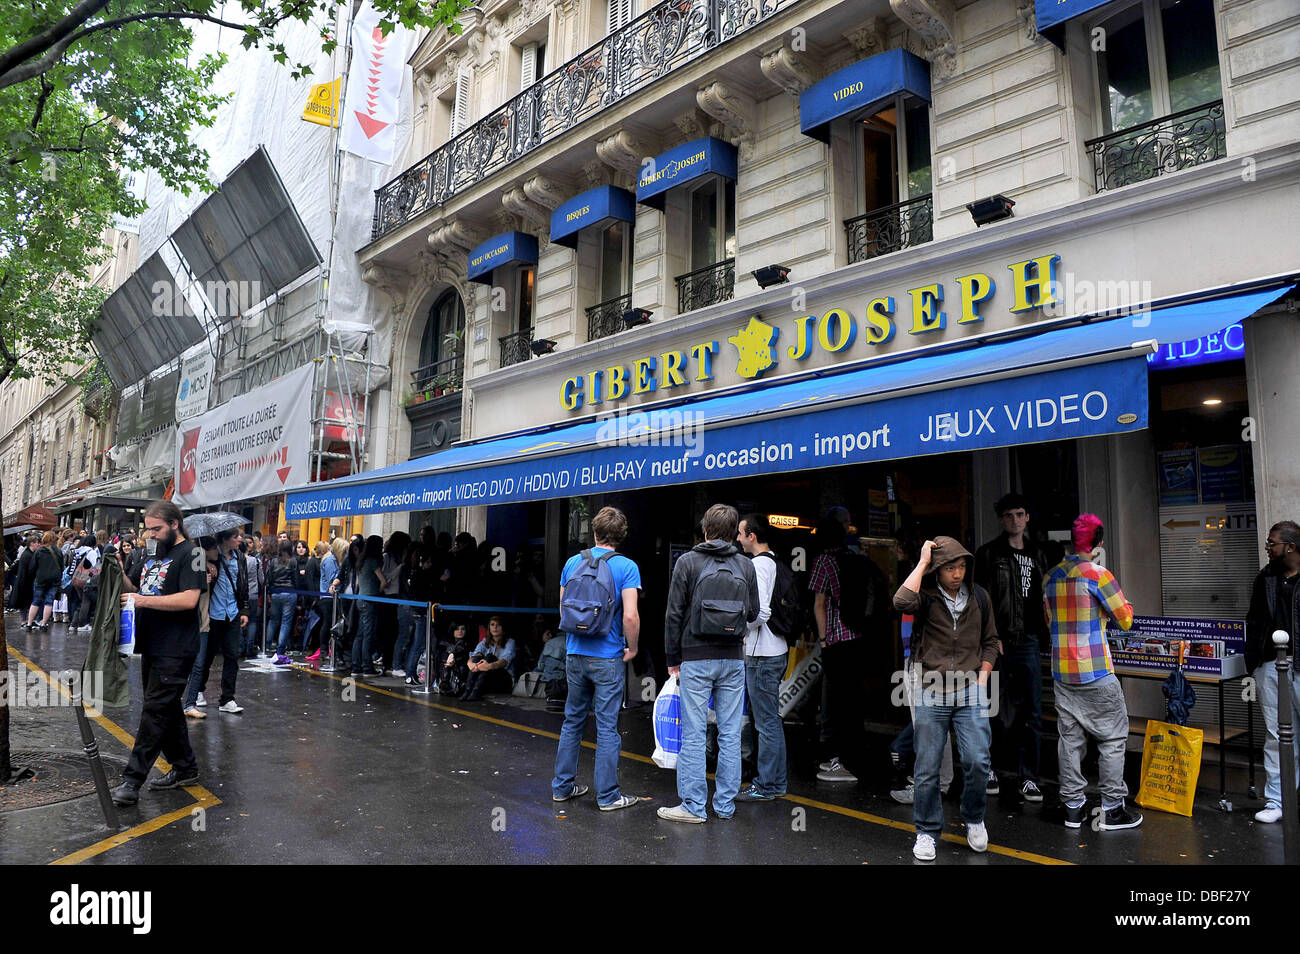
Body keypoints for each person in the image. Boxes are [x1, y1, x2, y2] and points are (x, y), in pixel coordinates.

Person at [894, 537, 999, 861]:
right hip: (930, 688)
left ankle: (974, 817)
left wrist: (982, 679)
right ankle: (926, 831)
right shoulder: (925, 598)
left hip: (970, 688)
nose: (957, 573)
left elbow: (991, 641)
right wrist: (924, 560)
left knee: (978, 761)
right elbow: (900, 601)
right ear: (938, 571)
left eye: (961, 566)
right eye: (950, 567)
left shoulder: (979, 596)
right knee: (927, 768)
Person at [659, 504, 759, 824]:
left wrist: (673, 659)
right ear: (734, 535)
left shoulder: (687, 562)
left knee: (694, 731)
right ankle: (725, 806)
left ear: (705, 530)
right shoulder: (746, 565)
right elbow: (753, 613)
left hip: (696, 656)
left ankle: (692, 806)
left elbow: (673, 614)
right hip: (732, 659)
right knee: (730, 733)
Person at [1044, 514, 1140, 831]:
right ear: (1098, 543)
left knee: (1069, 741)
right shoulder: (1099, 575)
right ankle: (1112, 808)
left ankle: (1073, 807)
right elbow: (1125, 620)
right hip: (1096, 671)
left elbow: (1050, 622)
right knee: (1112, 738)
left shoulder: (1051, 577)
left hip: (1062, 672)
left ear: (1072, 541)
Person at [111, 501, 208, 806]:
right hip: (152, 644)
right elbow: (135, 588)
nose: (150, 534)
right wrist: (116, 569)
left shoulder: (193, 554)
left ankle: (132, 779)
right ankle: (185, 767)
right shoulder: (153, 554)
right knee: (166, 709)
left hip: (177, 647)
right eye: (148, 529)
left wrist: (142, 601)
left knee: (154, 710)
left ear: (175, 524)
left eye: (157, 528)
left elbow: (189, 599)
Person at [551, 506, 642, 811]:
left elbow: (564, 608)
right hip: (607, 656)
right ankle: (608, 796)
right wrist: (633, 647)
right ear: (622, 536)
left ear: (594, 532)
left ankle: (562, 788)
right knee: (606, 727)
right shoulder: (627, 566)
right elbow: (630, 616)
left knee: (572, 721)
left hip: (576, 652)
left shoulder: (572, 562)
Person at [974, 492, 1051, 802]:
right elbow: (982, 600)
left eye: (1020, 514)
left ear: (1027, 517)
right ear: (1001, 519)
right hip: (1000, 643)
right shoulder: (989, 553)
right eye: (1008, 515)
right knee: (993, 709)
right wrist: (991, 640)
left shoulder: (1038, 554)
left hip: (1030, 641)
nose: (1015, 520)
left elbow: (1043, 599)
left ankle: (1028, 777)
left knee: (1031, 710)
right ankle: (988, 769)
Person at [808, 509, 888, 783]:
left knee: (831, 702)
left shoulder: (823, 562)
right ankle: (854, 754)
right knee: (853, 700)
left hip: (836, 641)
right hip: (858, 638)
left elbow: (819, 604)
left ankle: (833, 759)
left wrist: (822, 639)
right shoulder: (857, 559)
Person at [1246, 520, 1300, 824]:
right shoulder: (1265, 578)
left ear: (1289, 546)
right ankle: (1277, 800)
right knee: (1275, 735)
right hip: (1271, 665)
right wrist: (1252, 662)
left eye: (1272, 543)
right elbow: (1253, 621)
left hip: (1299, 664)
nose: (1268, 547)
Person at [734, 514, 788, 802]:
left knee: (765, 723)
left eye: (741, 534)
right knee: (770, 721)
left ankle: (767, 785)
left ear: (752, 536)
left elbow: (762, 611)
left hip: (762, 654)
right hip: (773, 650)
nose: (738, 539)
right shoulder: (773, 561)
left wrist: (740, 630)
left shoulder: (758, 565)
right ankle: (774, 782)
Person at [185, 528, 250, 715]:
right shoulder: (211, 556)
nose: (239, 539)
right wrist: (207, 564)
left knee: (232, 656)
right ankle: (198, 690)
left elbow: (243, 584)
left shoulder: (239, 557)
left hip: (233, 612)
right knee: (207, 656)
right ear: (225, 539)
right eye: (235, 536)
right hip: (213, 613)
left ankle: (227, 698)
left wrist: (244, 609)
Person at [403, 546, 438, 685]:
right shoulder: (422, 575)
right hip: (422, 612)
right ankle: (410, 674)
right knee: (418, 644)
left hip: (418, 611)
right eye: (428, 562)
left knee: (417, 644)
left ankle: (411, 673)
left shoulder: (415, 573)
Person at [351, 535, 385, 677]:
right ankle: (367, 667)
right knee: (368, 634)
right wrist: (380, 591)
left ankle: (356, 666)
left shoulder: (361, 560)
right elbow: (383, 581)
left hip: (360, 599)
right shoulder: (373, 561)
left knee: (360, 634)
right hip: (370, 600)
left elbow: (357, 584)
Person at [460, 616, 516, 700]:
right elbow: (476, 653)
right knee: (477, 657)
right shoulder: (485, 641)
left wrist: (489, 666)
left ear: (503, 627)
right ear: (489, 627)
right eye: (492, 624)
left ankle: (476, 691)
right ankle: (468, 690)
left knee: (490, 657)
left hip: (504, 680)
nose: (495, 627)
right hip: (487, 679)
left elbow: (505, 661)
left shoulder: (510, 642)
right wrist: (471, 663)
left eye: (498, 625)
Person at [23, 530, 63, 632]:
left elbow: (32, 567)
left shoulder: (39, 551)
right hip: (54, 580)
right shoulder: (58, 551)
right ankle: (44, 624)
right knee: (49, 602)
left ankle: (29, 624)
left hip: (40, 579)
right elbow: (62, 566)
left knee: (36, 601)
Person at [266, 540, 298, 664]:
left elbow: (269, 577)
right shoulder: (293, 561)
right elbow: (295, 578)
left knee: (273, 620)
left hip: (275, 592)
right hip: (289, 592)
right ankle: (280, 649)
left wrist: (269, 591)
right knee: (285, 622)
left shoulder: (273, 561)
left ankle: (267, 645)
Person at [240, 535, 264, 659]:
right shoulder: (255, 561)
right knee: (253, 620)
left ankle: (240, 646)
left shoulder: (237, 561)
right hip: (253, 593)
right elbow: (261, 579)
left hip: (240, 594)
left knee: (239, 620)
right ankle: (250, 646)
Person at [535, 628, 567, 713]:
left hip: (548, 681)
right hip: (563, 682)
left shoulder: (549, 642)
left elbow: (540, 666)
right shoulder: (571, 643)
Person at [437, 621, 473, 696]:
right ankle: (444, 681)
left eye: (462, 629)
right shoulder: (446, 641)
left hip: (461, 670)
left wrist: (453, 657)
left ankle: (455, 684)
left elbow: (462, 649)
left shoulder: (468, 642)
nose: (460, 631)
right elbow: (442, 646)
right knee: (444, 655)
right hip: (449, 667)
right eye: (457, 629)